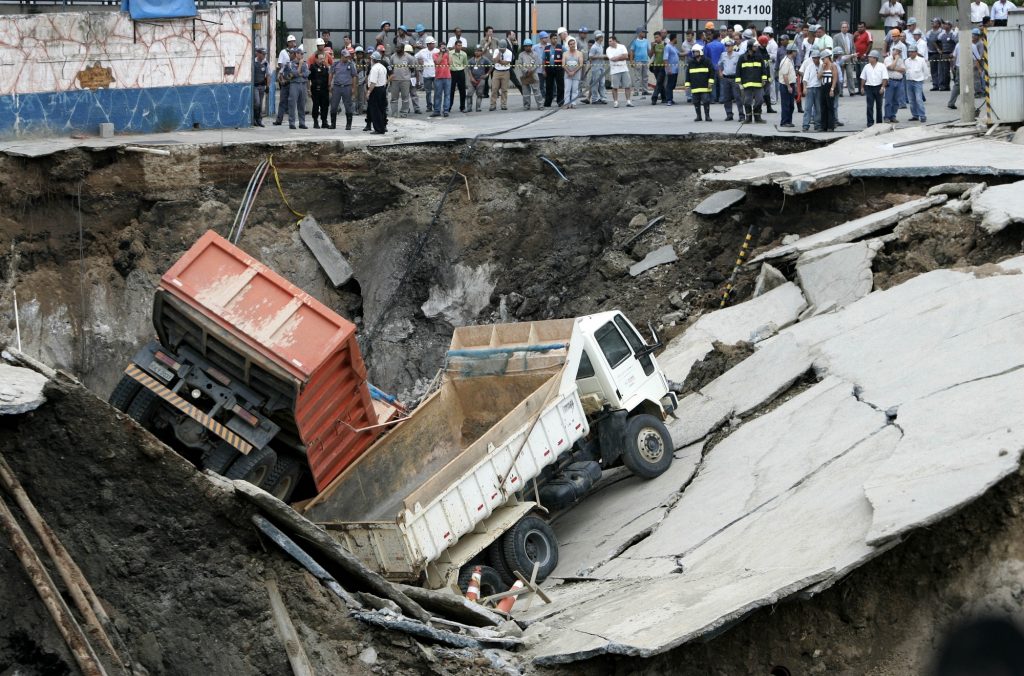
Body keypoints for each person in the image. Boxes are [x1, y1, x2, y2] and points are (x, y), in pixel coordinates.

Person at [737, 39, 768, 123]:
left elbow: (763, 69)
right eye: (755, 46)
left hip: (758, 83)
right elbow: (738, 71)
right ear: (750, 47)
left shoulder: (759, 57)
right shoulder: (742, 58)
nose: (756, 48)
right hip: (746, 84)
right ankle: (748, 118)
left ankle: (758, 117)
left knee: (760, 100)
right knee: (747, 101)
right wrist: (739, 82)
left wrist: (764, 79)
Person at [329, 48, 357, 129]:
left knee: (348, 106)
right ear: (341, 56)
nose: (347, 58)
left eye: (348, 57)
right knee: (334, 106)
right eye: (345, 57)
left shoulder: (351, 65)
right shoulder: (336, 64)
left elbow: (354, 76)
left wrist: (353, 88)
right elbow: (331, 73)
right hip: (337, 87)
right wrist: (329, 84)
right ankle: (333, 124)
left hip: (347, 87)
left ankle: (348, 125)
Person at [685, 43, 714, 121]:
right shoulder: (691, 62)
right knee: (696, 102)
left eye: (696, 51)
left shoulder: (707, 61)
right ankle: (699, 116)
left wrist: (710, 82)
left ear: (700, 52)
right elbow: (687, 74)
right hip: (695, 86)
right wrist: (687, 85)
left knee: (706, 101)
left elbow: (712, 72)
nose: (694, 53)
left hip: (705, 86)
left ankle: (707, 116)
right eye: (694, 52)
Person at [273, 35, 297, 126]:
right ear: (287, 43)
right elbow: (279, 64)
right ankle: (279, 119)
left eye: (294, 41)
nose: (292, 43)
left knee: (292, 101)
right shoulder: (283, 52)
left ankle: (292, 120)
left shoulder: (297, 52)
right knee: (283, 100)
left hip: (293, 79)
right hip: (285, 77)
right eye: (291, 41)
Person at [283, 48, 309, 129]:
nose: (302, 55)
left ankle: (302, 122)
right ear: (296, 54)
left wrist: (300, 73)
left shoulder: (305, 64)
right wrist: (300, 67)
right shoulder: (290, 64)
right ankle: (292, 122)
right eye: (301, 54)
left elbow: (307, 73)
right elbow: (293, 74)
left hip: (303, 84)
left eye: (302, 54)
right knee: (292, 104)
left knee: (302, 104)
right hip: (294, 84)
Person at [860, 49, 888, 125]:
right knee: (869, 106)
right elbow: (863, 77)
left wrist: (882, 87)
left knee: (879, 106)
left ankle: (879, 123)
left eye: (870, 57)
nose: (869, 58)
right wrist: (862, 87)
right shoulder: (866, 66)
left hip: (878, 87)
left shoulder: (882, 66)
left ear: (875, 58)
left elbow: (885, 78)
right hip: (869, 87)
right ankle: (870, 123)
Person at [390, 44, 417, 117]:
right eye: (396, 47)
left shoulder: (409, 57)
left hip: (405, 80)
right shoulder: (393, 57)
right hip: (395, 80)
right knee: (394, 98)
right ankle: (394, 113)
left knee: (405, 97)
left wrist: (407, 75)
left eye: (398, 47)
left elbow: (412, 68)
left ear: (402, 48)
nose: (396, 49)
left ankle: (404, 112)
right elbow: (391, 68)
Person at [606, 35, 632, 108]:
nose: (609, 43)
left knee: (627, 86)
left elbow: (626, 56)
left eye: (610, 41)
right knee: (615, 87)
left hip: (624, 68)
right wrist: (621, 56)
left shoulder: (622, 46)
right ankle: (616, 102)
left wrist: (617, 57)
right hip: (615, 70)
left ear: (615, 41)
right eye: (608, 41)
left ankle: (628, 101)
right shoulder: (608, 49)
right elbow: (612, 59)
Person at [365, 51, 388, 133]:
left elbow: (373, 82)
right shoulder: (383, 67)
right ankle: (382, 128)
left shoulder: (374, 68)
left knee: (375, 110)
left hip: (376, 90)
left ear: (373, 59)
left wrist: (368, 92)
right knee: (381, 109)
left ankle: (378, 129)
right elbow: (385, 80)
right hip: (382, 88)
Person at [719, 39, 742, 120]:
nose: (728, 47)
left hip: (734, 78)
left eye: (729, 46)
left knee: (738, 97)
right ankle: (729, 114)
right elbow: (720, 64)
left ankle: (741, 115)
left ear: (733, 46)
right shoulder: (723, 55)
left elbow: (740, 66)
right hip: (725, 78)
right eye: (727, 46)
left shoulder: (737, 55)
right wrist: (720, 72)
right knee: (727, 97)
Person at [516, 40, 543, 109]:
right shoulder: (521, 55)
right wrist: (526, 70)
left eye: (529, 46)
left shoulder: (535, 54)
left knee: (537, 91)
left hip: (533, 74)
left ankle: (540, 105)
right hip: (525, 75)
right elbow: (520, 64)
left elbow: (537, 63)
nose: (527, 47)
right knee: (526, 92)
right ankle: (526, 105)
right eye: (526, 46)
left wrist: (531, 70)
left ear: (531, 46)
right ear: (524, 47)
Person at [904, 43, 928, 121]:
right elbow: (906, 70)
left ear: (916, 52)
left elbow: (925, 71)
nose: (910, 53)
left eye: (912, 52)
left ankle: (922, 115)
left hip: (918, 81)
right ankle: (915, 115)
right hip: (909, 81)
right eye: (909, 52)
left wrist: (923, 79)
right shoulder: (907, 61)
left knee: (918, 99)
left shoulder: (921, 60)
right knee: (911, 100)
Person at [799, 49, 821, 130]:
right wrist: (804, 88)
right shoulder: (809, 66)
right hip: (810, 88)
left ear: (819, 58)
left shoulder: (822, 65)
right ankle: (805, 125)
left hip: (818, 88)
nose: (815, 59)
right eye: (814, 58)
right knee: (808, 108)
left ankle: (818, 124)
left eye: (816, 58)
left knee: (818, 108)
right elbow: (805, 78)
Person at [882, 44, 905, 121]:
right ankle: (887, 116)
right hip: (890, 81)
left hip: (899, 81)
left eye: (899, 52)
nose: (897, 53)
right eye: (896, 51)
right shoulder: (887, 59)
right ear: (893, 50)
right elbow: (890, 67)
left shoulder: (901, 60)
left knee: (896, 101)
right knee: (888, 100)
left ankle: (893, 115)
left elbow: (903, 70)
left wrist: (894, 68)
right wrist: (896, 60)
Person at [778, 42, 798, 127]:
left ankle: (789, 121)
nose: (796, 53)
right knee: (786, 105)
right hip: (786, 85)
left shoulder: (791, 60)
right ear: (791, 52)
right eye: (795, 51)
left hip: (790, 85)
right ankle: (785, 122)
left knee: (791, 105)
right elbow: (785, 75)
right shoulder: (786, 61)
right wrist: (789, 86)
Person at [818, 49, 839, 131]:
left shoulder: (833, 66)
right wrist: (822, 70)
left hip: (829, 86)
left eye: (824, 59)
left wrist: (832, 89)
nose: (823, 60)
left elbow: (835, 78)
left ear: (828, 57)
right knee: (823, 106)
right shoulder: (822, 66)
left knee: (830, 106)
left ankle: (830, 125)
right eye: (822, 59)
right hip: (823, 86)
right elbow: (818, 77)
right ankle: (824, 126)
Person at [490, 39, 513, 110]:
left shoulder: (509, 52)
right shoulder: (496, 51)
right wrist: (499, 54)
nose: (502, 50)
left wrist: (498, 61)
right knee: (494, 89)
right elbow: (494, 61)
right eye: (500, 49)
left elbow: (506, 63)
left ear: (506, 47)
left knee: (504, 89)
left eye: (503, 49)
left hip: (505, 72)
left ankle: (503, 104)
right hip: (497, 71)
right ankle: (492, 105)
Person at [309, 51, 330, 128]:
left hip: (324, 90)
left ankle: (324, 121)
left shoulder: (325, 67)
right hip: (316, 90)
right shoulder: (312, 67)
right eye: (320, 59)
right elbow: (309, 79)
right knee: (316, 106)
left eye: (323, 58)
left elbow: (329, 76)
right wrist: (309, 90)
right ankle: (315, 121)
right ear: (316, 59)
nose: (322, 60)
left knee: (325, 106)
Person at [543, 33, 565, 107]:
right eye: (553, 38)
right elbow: (543, 60)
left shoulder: (561, 47)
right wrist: (544, 70)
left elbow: (565, 56)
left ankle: (560, 102)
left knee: (560, 86)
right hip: (549, 68)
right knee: (549, 86)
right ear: (550, 39)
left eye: (556, 38)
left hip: (559, 68)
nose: (555, 40)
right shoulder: (546, 48)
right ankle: (548, 102)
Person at [416, 37, 437, 112]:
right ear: (428, 44)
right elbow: (415, 57)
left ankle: (436, 106)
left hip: (435, 74)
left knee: (436, 91)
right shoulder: (423, 51)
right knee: (428, 92)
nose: (434, 44)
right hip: (426, 74)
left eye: (434, 43)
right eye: (432, 43)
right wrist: (419, 62)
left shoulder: (437, 51)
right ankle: (429, 106)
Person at [467, 45, 491, 112]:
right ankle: (469, 107)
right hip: (472, 79)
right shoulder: (471, 60)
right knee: (469, 93)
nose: (476, 52)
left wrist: (487, 74)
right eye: (475, 51)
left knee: (479, 94)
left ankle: (478, 107)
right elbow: (468, 69)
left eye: (478, 51)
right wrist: (471, 77)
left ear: (481, 52)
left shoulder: (485, 59)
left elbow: (491, 66)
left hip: (481, 79)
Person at [629, 27, 651, 97]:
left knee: (645, 76)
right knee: (637, 77)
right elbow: (632, 51)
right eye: (643, 32)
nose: (644, 33)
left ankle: (645, 90)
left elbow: (649, 51)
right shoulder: (634, 41)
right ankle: (636, 91)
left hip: (645, 60)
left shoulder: (646, 41)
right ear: (639, 33)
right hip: (637, 61)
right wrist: (631, 61)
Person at [431, 44, 451, 117]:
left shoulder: (447, 54)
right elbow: (437, 62)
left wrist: (448, 53)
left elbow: (450, 63)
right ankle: (437, 111)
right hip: (438, 77)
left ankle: (446, 110)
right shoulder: (435, 54)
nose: (443, 49)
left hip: (447, 77)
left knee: (447, 95)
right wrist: (442, 53)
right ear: (439, 48)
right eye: (442, 47)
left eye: (444, 47)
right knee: (437, 95)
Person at [588, 31, 608, 104]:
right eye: (601, 37)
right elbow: (590, 56)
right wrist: (601, 56)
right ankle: (594, 99)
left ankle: (603, 98)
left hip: (601, 66)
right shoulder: (594, 47)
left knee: (602, 83)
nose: (602, 38)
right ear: (598, 38)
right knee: (596, 83)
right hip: (596, 67)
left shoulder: (600, 46)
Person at [449, 41, 469, 113]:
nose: (459, 47)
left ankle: (462, 107)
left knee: (462, 90)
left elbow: (465, 64)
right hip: (452, 72)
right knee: (451, 90)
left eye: (460, 45)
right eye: (458, 45)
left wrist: (460, 68)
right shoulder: (450, 53)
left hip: (460, 72)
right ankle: (449, 106)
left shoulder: (464, 54)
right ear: (455, 46)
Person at [937, 21, 955, 90]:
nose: (944, 25)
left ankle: (957, 85)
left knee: (954, 70)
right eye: (944, 24)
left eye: (946, 24)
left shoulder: (953, 33)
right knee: (945, 70)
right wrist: (939, 49)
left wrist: (953, 52)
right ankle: (946, 86)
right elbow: (936, 41)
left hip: (952, 54)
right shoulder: (941, 34)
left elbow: (956, 43)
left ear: (950, 25)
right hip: (944, 54)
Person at [253, 47, 269, 127]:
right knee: (257, 103)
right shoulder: (254, 62)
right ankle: (254, 119)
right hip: (255, 86)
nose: (264, 56)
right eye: (263, 54)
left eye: (265, 54)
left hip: (262, 86)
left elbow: (268, 75)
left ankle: (259, 120)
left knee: (260, 104)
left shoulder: (265, 63)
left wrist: (267, 87)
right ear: (258, 54)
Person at [663, 33, 680, 106]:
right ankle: (669, 100)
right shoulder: (668, 47)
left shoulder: (674, 47)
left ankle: (671, 99)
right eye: (677, 38)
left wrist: (689, 52)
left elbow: (680, 54)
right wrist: (668, 68)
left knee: (673, 85)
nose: (677, 40)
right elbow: (665, 59)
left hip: (675, 70)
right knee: (669, 85)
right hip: (671, 70)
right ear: (674, 38)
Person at [650, 32, 667, 104]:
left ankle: (654, 97)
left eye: (657, 37)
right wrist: (652, 47)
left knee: (659, 82)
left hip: (663, 66)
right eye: (655, 37)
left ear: (661, 37)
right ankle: (664, 97)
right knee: (660, 83)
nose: (656, 39)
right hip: (656, 66)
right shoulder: (654, 45)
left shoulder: (665, 45)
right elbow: (650, 55)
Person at [353, 46, 368, 115]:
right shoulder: (353, 62)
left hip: (361, 82)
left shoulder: (364, 62)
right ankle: (354, 110)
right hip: (354, 83)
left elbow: (366, 71)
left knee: (361, 98)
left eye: (361, 54)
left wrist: (365, 79)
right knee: (354, 98)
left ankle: (360, 111)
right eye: (358, 54)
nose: (360, 55)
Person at [533, 33, 548, 100]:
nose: (547, 39)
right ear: (541, 39)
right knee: (541, 85)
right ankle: (543, 97)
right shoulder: (535, 47)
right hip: (539, 69)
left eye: (547, 37)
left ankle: (552, 96)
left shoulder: (549, 46)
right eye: (545, 37)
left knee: (550, 84)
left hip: (548, 69)